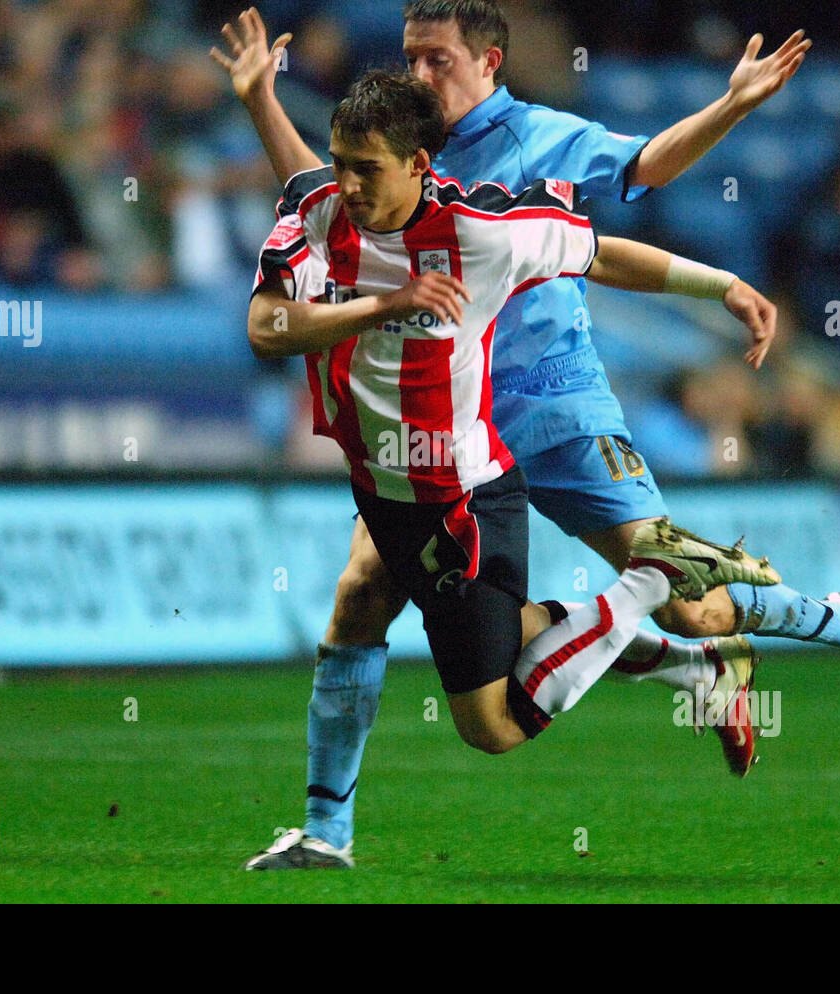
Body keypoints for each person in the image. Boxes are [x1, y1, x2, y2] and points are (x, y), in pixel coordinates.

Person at [215, 2, 840, 870]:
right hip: (437, 423)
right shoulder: (396, 147)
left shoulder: (536, 144)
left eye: (437, 60)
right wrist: (262, 100)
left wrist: (734, 114)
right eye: (410, 59)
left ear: (488, 62)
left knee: (686, 592)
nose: (420, 76)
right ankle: (328, 831)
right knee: (364, 593)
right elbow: (326, 195)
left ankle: (832, 622)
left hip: (553, 408)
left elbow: (640, 176)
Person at [244, 71, 783, 864]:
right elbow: (266, 327)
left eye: (367, 169)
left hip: (469, 475)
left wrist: (725, 285)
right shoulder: (319, 212)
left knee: (490, 722)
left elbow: (601, 251)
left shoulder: (485, 222)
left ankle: (657, 591)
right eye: (340, 163)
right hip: (384, 477)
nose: (348, 184)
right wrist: (378, 306)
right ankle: (326, 836)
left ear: (422, 161)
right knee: (363, 598)